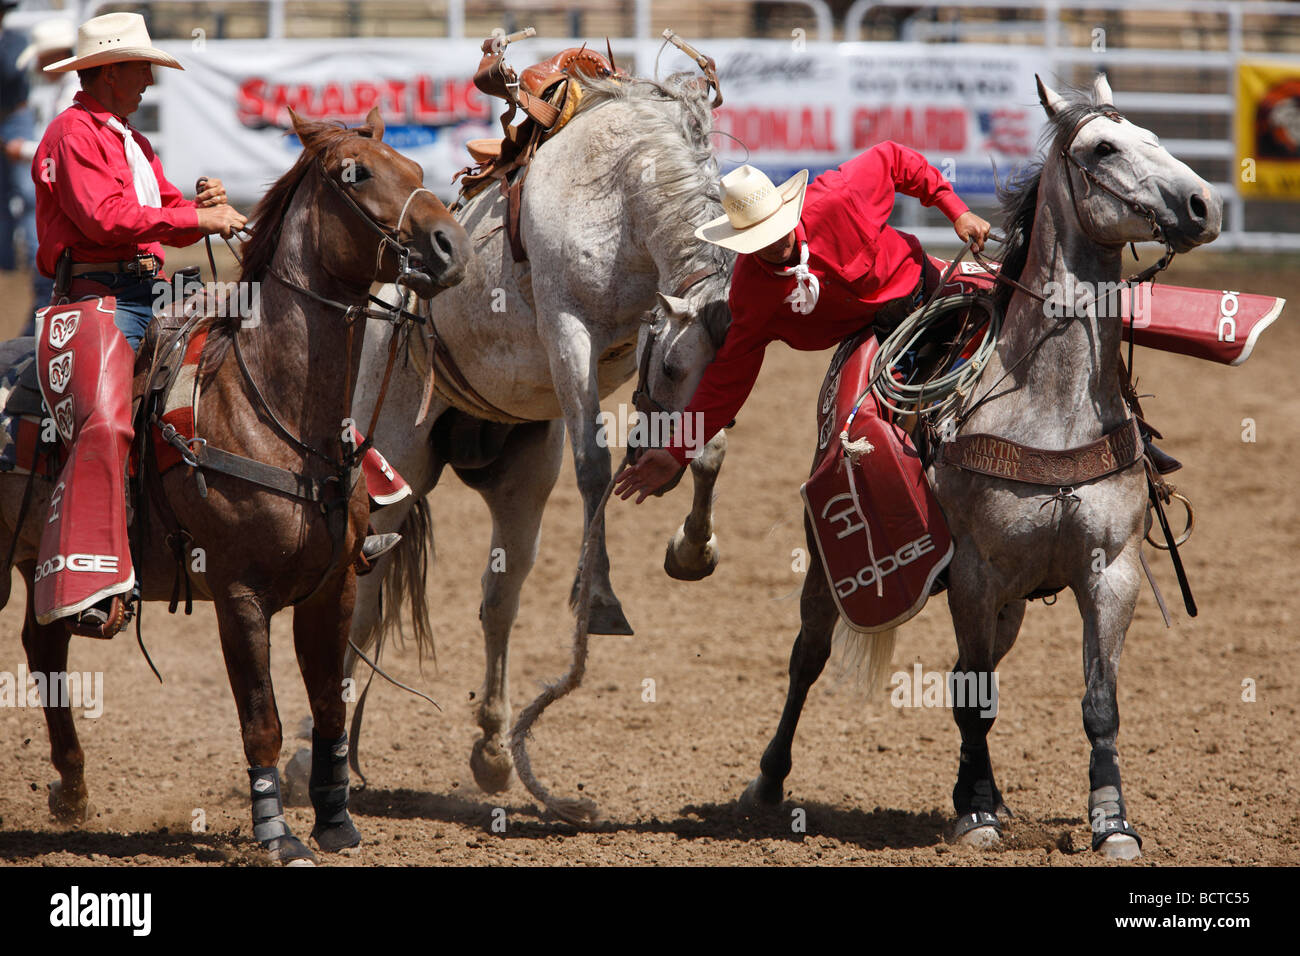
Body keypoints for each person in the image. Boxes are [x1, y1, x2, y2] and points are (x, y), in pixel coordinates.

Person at [31, 12, 399, 637]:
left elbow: (158, 205)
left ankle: (349, 516)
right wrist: (194, 223)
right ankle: (92, 569)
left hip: (148, 289)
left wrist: (198, 207)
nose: (149, 81)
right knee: (106, 416)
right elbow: (106, 219)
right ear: (112, 71)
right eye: (142, 68)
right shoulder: (73, 134)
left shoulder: (127, 138)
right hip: (96, 299)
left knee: (269, 344)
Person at [614, 145, 990, 502]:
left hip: (925, 288)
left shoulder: (838, 198)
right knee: (854, 436)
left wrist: (956, 210)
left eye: (776, 226)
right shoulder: (752, 292)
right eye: (758, 237)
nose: (774, 242)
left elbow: (894, 159)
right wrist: (678, 451)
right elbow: (730, 375)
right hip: (871, 339)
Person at [7, 17, 77, 318]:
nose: (36, 66)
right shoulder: (67, 88)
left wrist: (20, 149)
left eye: (41, 58)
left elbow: (62, 147)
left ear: (55, 56)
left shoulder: (70, 91)